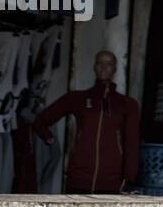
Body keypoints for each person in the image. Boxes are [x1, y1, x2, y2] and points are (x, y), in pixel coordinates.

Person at [31, 49, 139, 193]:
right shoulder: (77, 98)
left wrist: (129, 178)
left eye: (109, 64)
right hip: (78, 178)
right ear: (94, 67)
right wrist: (49, 138)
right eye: (100, 63)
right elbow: (40, 121)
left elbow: (132, 142)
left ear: (115, 69)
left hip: (111, 181)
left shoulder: (127, 104)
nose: (104, 67)